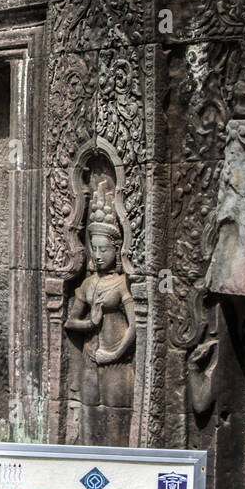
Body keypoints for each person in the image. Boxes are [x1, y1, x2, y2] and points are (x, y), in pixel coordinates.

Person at [65, 177, 136, 446]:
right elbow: (71, 322)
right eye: (94, 248)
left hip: (116, 363)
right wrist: (90, 323)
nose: (97, 255)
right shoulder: (87, 283)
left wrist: (115, 353)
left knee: (117, 424)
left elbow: (136, 324)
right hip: (90, 361)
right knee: (89, 420)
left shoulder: (121, 284)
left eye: (104, 249)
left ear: (117, 249)